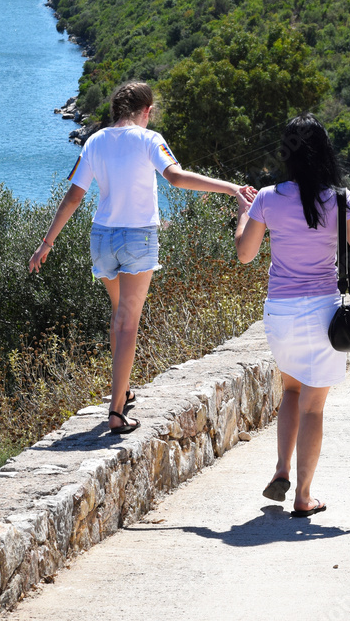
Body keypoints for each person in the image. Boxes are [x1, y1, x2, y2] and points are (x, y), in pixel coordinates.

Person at [28, 81, 256, 435]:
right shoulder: (150, 140)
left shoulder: (94, 141)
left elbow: (73, 197)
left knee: (119, 315)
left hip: (102, 237)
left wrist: (47, 243)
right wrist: (231, 188)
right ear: (147, 111)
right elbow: (176, 178)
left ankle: (123, 390)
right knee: (127, 322)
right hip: (138, 236)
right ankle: (117, 412)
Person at [235, 114, 350, 517]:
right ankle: (303, 496)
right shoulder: (339, 199)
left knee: (290, 391)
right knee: (313, 406)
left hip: (280, 312)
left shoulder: (266, 198)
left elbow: (245, 254)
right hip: (322, 313)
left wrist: (244, 212)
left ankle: (280, 469)